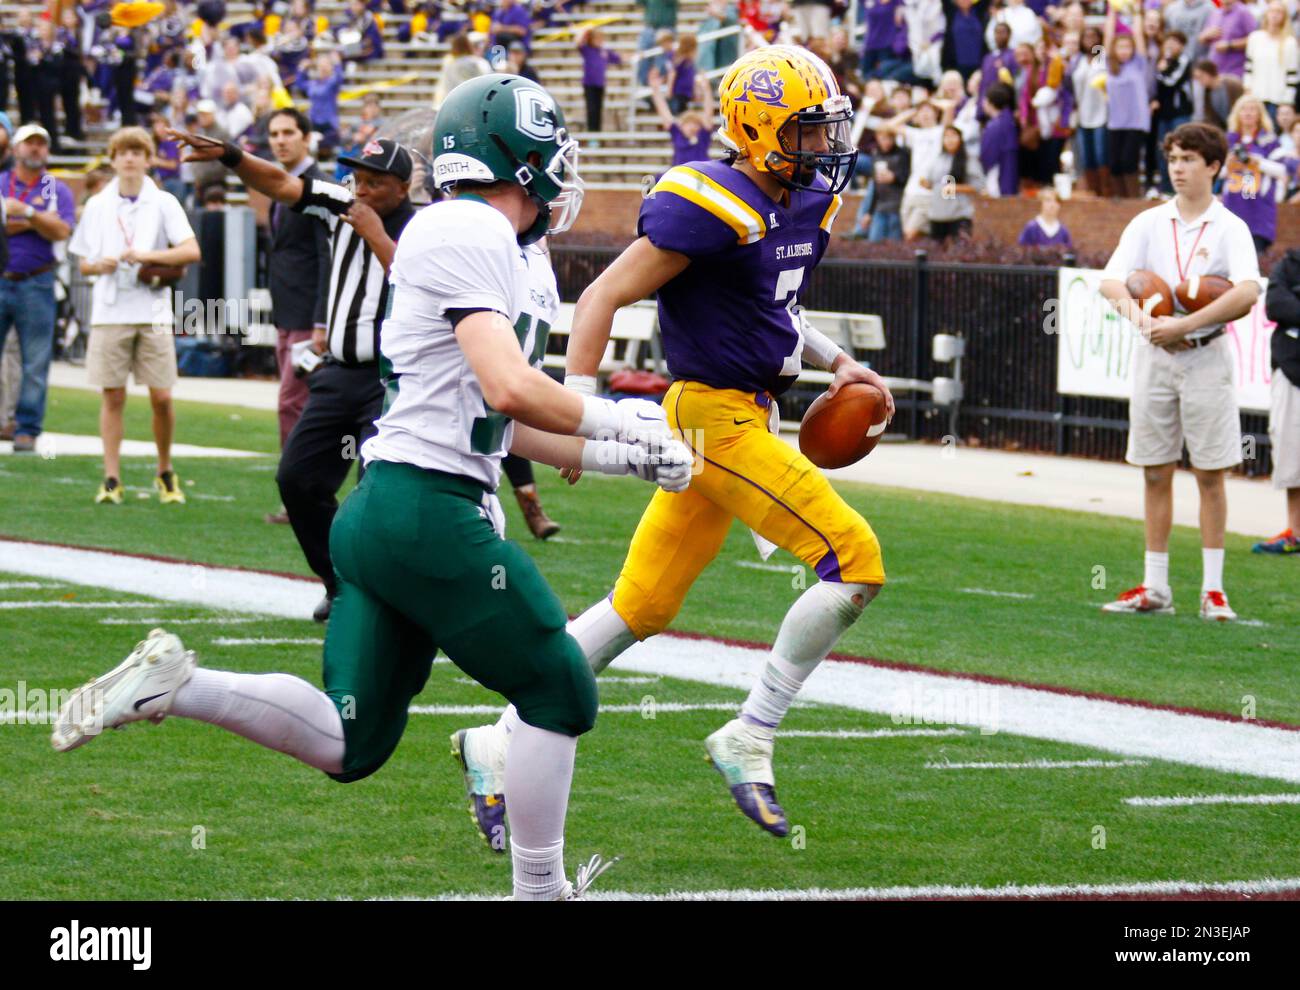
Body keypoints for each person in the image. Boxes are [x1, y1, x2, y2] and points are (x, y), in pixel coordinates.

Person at [51, 73, 694, 902]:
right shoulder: (468, 227)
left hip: (390, 510)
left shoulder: (482, 241)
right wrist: (622, 420)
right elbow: (509, 388)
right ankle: (541, 892)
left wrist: (630, 457)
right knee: (558, 687)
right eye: (550, 155)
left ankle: (178, 684)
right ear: (518, 157)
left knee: (348, 744)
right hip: (427, 510)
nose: (560, 174)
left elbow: (501, 421)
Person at [451, 46, 896, 841]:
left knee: (641, 606)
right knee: (854, 561)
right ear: (756, 130)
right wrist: (575, 410)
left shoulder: (796, 204)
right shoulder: (713, 201)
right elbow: (601, 296)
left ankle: (497, 737)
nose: (824, 147)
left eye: (827, 130)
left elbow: (774, 306)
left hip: (747, 413)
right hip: (709, 418)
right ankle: (751, 732)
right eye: (805, 132)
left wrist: (840, 361)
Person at [165, 123, 417, 622]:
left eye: (374, 181)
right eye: (356, 179)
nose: (361, 190)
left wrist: (376, 235)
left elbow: (421, 283)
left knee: (375, 491)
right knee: (297, 478)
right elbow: (283, 184)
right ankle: (338, 581)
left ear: (404, 188)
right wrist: (234, 155)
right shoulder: (339, 203)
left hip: (391, 381)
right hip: (339, 372)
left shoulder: (424, 226)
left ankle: (384, 596)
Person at [1098, 123, 1261, 622]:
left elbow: (1248, 291)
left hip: (1206, 355)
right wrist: (1144, 320)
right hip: (1156, 356)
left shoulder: (1230, 226)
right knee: (1154, 470)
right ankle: (1155, 585)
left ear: (1214, 167)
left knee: (1211, 473)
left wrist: (1185, 323)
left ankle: (1213, 590)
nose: (1178, 168)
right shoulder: (1149, 222)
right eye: (1173, 159)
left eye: (1189, 159)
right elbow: (1110, 281)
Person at [68, 126, 200, 503]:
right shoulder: (97, 204)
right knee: (112, 395)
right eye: (123, 152)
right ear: (112, 158)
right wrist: (101, 266)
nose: (129, 158)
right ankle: (112, 477)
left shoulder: (163, 202)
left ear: (148, 158)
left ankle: (164, 469)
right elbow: (84, 265)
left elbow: (190, 251)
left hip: (152, 307)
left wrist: (149, 256)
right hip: (110, 310)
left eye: (137, 152)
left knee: (162, 395)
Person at [260, 108, 332, 528]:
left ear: (306, 138)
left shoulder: (317, 187)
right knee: (295, 403)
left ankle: (301, 492)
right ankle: (302, 492)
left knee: (293, 402)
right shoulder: (283, 185)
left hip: (308, 315)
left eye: (288, 133)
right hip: (288, 313)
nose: (280, 140)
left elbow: (325, 257)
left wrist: (322, 321)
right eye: (273, 134)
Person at [0, 124, 75, 454]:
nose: (36, 149)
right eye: (29, 144)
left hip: (38, 280)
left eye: (41, 145)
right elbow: (48, 225)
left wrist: (26, 213)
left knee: (36, 361)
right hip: (3, 276)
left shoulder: (57, 188)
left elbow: (61, 230)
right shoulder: (3, 182)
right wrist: (38, 221)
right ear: (16, 149)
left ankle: (27, 428)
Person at [1258, 250, 1300, 554]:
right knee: (1291, 452)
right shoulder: (1290, 263)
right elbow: (1275, 306)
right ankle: (1295, 532)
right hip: (1291, 368)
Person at [1221, 95, 1293, 253]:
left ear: (1260, 115)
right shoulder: (1229, 140)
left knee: (1255, 254)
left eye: (1252, 109)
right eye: (1244, 109)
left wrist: (1257, 162)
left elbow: (1282, 170)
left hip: (1258, 206)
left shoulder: (1269, 140)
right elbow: (1217, 172)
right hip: (1233, 201)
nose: (1248, 113)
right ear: (1237, 114)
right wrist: (1229, 162)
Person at [1104, 6, 1150, 199]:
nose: (1124, 51)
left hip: (1135, 122)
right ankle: (1119, 199)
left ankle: (1133, 200)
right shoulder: (1107, 64)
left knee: (1128, 161)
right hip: (1115, 122)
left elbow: (1138, 34)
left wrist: (1137, 12)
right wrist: (1113, 12)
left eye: (1127, 47)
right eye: (1120, 47)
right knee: (1114, 163)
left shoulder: (1139, 64)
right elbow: (1106, 37)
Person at [922, 124, 983, 241]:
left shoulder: (969, 159)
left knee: (959, 249)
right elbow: (931, 182)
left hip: (959, 213)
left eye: (953, 136)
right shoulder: (938, 158)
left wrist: (955, 188)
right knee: (936, 252)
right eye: (946, 136)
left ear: (960, 138)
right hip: (937, 213)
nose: (949, 140)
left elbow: (978, 186)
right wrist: (925, 183)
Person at [1243, 2, 1298, 124]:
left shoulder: (1289, 43)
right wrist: (1247, 89)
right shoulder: (1255, 38)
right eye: (1272, 11)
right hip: (1256, 96)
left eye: (1279, 12)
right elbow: (1249, 67)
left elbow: (1292, 75)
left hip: (1278, 98)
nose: (1275, 15)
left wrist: (1287, 100)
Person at [649, 72, 714, 168]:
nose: (692, 127)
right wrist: (656, 91)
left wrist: (707, 90)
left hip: (700, 176)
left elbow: (708, 113)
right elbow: (664, 111)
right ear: (681, 126)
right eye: (688, 123)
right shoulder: (677, 134)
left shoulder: (702, 136)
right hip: (680, 176)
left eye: (695, 124)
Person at [1198, 0, 1256, 82]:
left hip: (1234, 72)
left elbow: (1254, 39)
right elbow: (1201, 39)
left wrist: (1229, 45)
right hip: (1214, 71)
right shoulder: (1215, 13)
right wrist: (1206, 35)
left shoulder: (1244, 13)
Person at [577, 26, 620, 132]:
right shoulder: (586, 49)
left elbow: (618, 58)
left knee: (598, 110)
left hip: (600, 84)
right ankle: (591, 132)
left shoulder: (604, 51)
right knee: (591, 109)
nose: (600, 41)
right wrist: (585, 31)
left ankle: (597, 132)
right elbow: (577, 42)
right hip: (589, 84)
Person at [980, 81, 1019, 196]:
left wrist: (985, 165)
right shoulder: (1008, 120)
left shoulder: (995, 125)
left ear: (991, 103)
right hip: (1008, 167)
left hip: (999, 169)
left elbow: (988, 153)